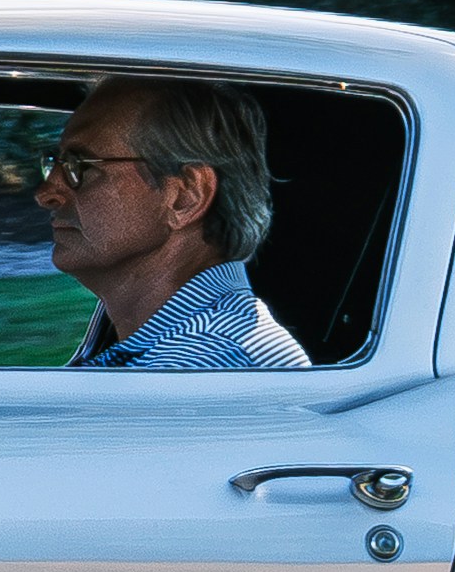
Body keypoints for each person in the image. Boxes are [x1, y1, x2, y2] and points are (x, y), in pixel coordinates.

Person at [36, 80, 288, 370]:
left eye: (80, 166)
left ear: (185, 197)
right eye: (55, 163)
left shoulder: (198, 365)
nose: (46, 194)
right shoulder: (173, 347)